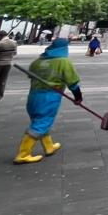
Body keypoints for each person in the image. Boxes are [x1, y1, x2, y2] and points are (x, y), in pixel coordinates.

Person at [14, 36, 82, 164]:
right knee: (41, 123)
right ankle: (23, 154)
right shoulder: (63, 62)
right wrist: (78, 97)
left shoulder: (38, 61)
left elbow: (31, 75)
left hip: (34, 96)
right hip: (49, 96)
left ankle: (49, 147)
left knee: (40, 120)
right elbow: (73, 83)